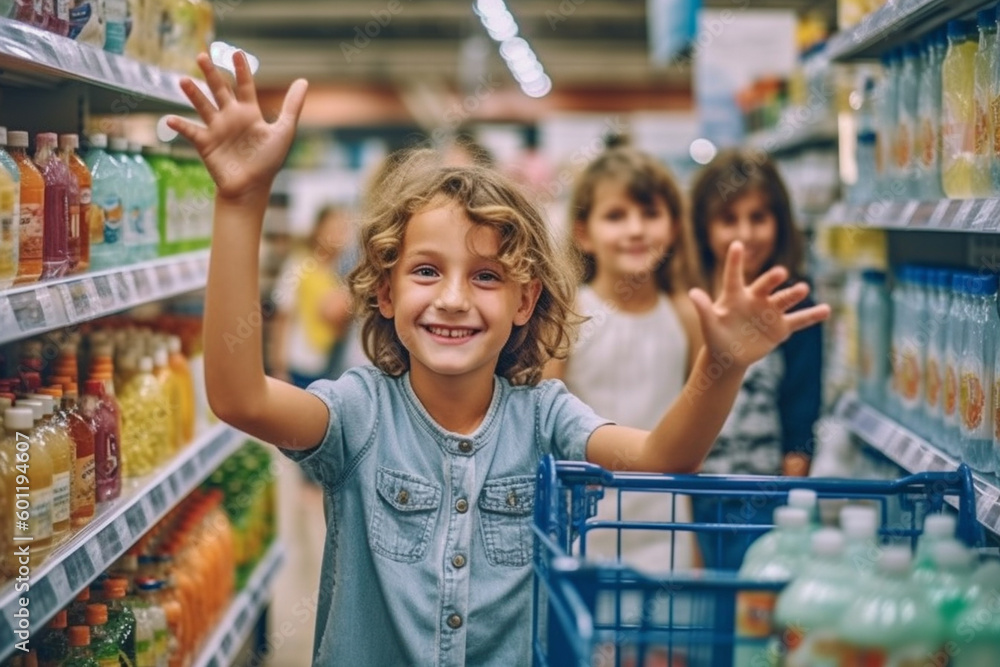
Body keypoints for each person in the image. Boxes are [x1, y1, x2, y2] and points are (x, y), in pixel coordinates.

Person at [166, 52, 829, 666]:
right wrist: (241, 201)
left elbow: (663, 456)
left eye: (486, 276)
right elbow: (239, 397)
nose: (454, 298)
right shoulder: (358, 413)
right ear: (387, 291)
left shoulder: (544, 418)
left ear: (524, 300)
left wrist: (724, 365)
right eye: (427, 271)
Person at [544, 147, 703, 571]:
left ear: (672, 227)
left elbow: (696, 417)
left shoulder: (687, 315)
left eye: (650, 214)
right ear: (583, 233)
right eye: (616, 216)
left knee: (668, 637)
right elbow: (542, 421)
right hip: (584, 527)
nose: (635, 230)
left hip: (667, 527)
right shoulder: (566, 314)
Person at [687, 148, 824, 570]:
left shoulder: (795, 305)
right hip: (687, 496)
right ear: (703, 227)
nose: (745, 233)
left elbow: (801, 411)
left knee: (759, 623)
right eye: (729, 219)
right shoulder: (688, 298)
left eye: (759, 217)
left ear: (780, 224)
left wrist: (790, 504)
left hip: (767, 500)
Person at [269, 205, 354, 389]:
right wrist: (279, 368)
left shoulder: (340, 273)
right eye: (333, 229)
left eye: (343, 230)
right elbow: (282, 318)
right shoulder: (299, 265)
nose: (339, 235)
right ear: (318, 230)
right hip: (298, 366)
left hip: (329, 367)